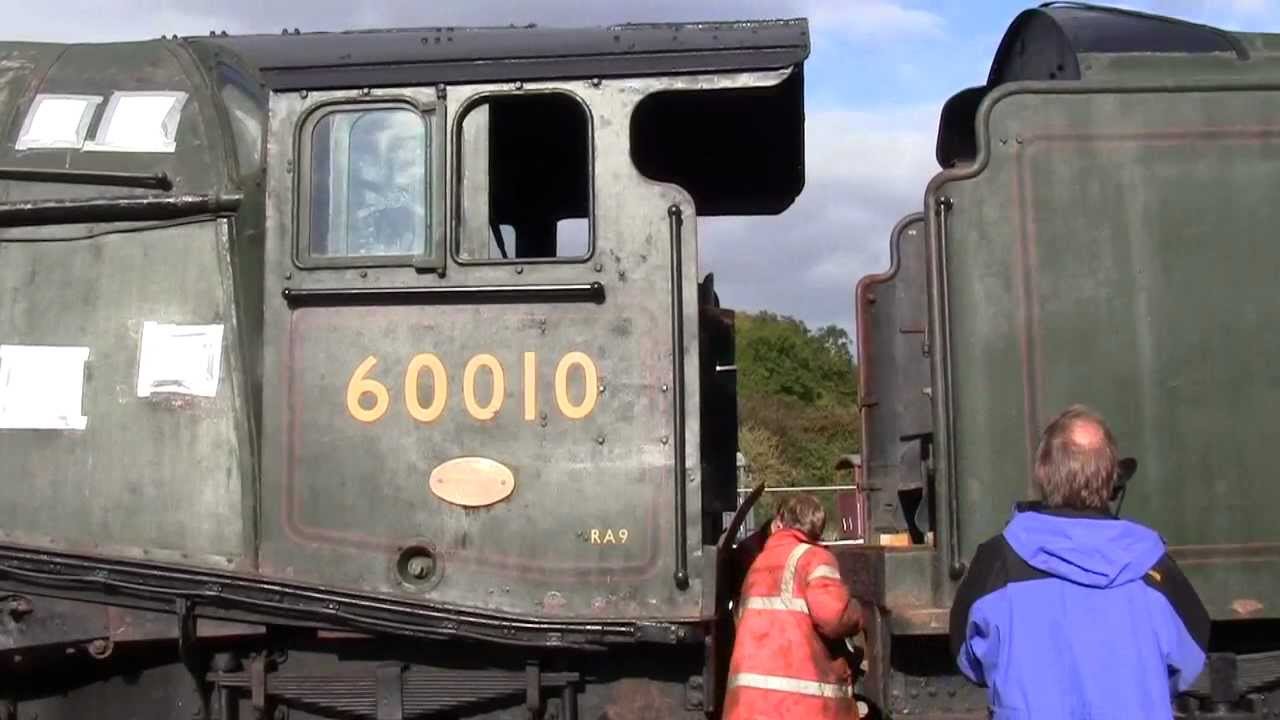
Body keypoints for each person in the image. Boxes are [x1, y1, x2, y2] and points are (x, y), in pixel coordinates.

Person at [950, 405, 1210, 719]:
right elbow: (1190, 656)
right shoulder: (1151, 566)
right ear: (1111, 480)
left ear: (1044, 474)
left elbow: (968, 657)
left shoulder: (998, 561)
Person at [723, 494, 863, 720]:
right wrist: (857, 613)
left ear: (780, 522)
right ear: (818, 526)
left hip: (748, 707)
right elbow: (833, 617)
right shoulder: (815, 558)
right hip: (798, 707)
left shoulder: (756, 562)